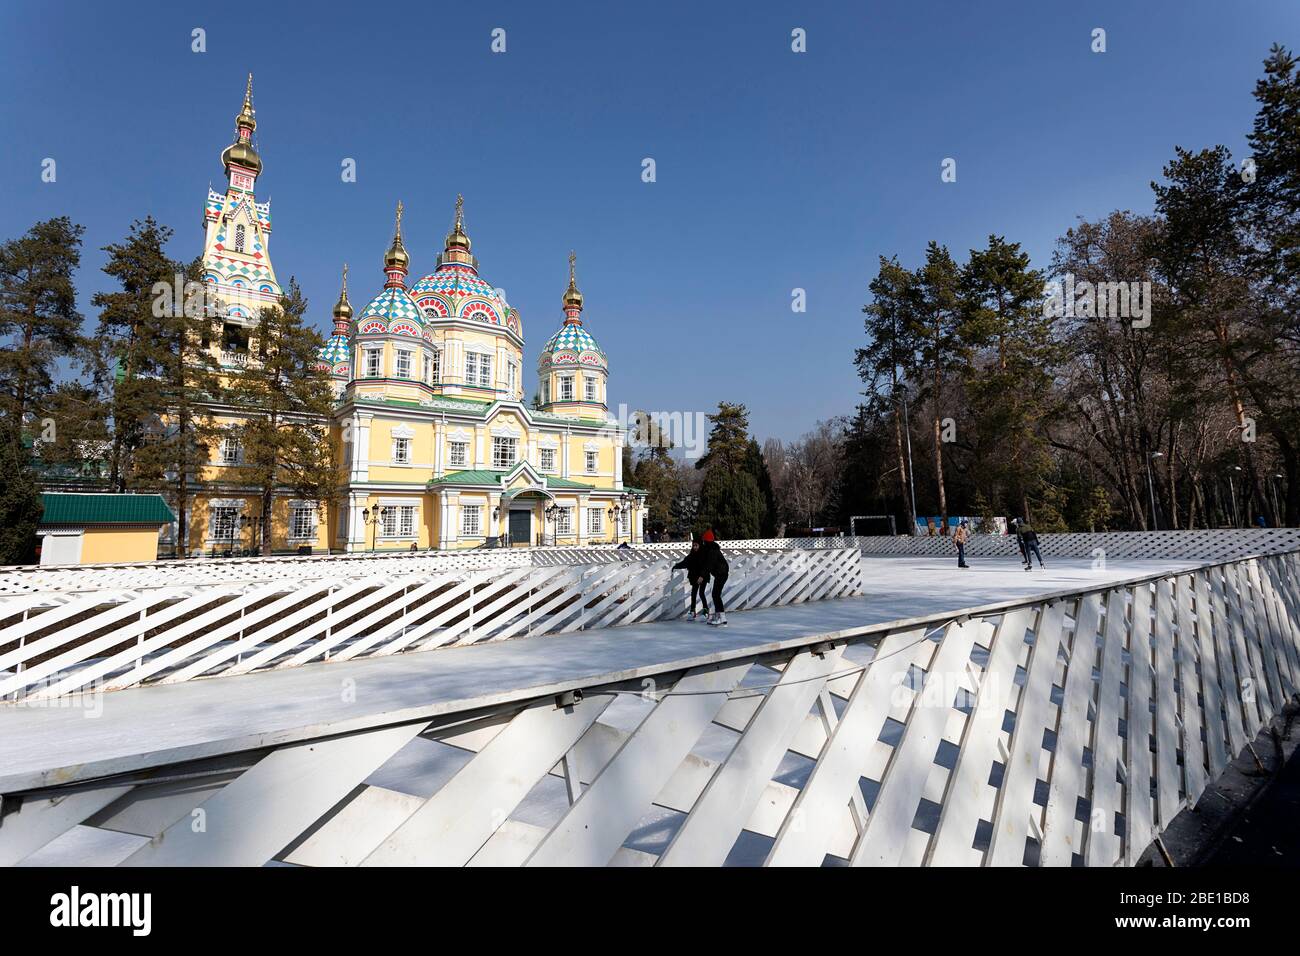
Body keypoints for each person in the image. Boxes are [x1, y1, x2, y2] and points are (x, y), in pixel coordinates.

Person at [672, 538, 710, 620]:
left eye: (696, 545)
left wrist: (702, 576)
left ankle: (706, 610)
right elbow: (685, 562)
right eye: (693, 546)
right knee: (693, 593)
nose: (695, 547)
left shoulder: (704, 554)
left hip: (703, 576)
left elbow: (706, 566)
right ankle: (692, 611)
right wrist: (676, 566)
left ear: (700, 545)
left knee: (701, 593)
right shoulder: (692, 554)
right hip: (694, 576)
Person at [700, 529, 730, 626]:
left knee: (715, 595)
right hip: (721, 574)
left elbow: (709, 565)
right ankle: (722, 617)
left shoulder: (712, 551)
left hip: (721, 574)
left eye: (704, 541)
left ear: (707, 542)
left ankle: (721, 617)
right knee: (716, 595)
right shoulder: (712, 550)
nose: (703, 543)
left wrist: (702, 576)